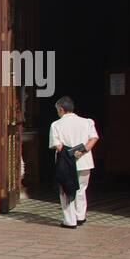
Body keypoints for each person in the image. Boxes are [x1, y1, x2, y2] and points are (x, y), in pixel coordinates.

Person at [49, 95, 99, 228]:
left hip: (65, 163)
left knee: (66, 190)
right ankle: (80, 216)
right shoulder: (88, 121)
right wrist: (82, 151)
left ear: (61, 109)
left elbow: (58, 146)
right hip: (84, 161)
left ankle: (69, 220)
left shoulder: (56, 125)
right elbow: (94, 138)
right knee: (81, 189)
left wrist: (69, 152)